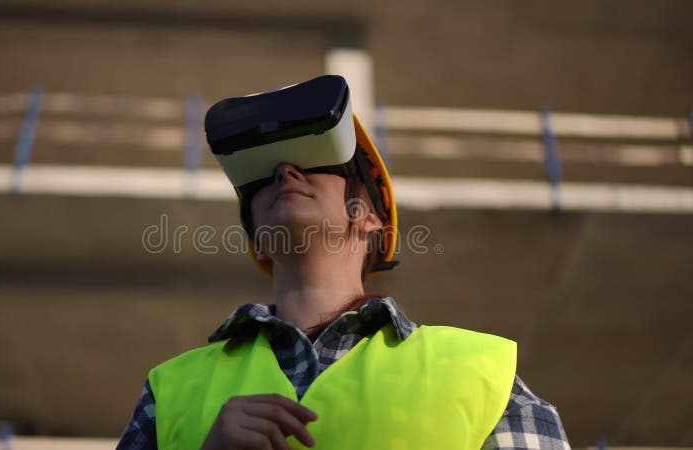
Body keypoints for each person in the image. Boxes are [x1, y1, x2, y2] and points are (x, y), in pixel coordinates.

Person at [117, 76, 570, 450]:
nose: (285, 173)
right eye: (264, 176)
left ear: (370, 216)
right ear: (256, 235)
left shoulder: (481, 376)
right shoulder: (171, 391)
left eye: (316, 163)